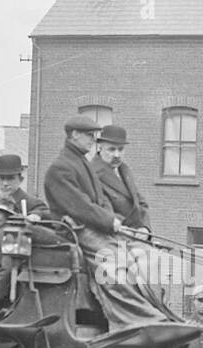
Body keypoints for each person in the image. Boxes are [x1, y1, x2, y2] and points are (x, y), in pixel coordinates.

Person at [43, 115, 180, 334]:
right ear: (74, 135)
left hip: (93, 227)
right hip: (76, 230)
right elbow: (80, 205)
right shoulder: (61, 168)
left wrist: (118, 224)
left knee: (142, 258)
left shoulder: (79, 162)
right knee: (113, 263)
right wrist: (111, 222)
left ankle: (155, 315)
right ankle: (133, 321)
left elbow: (101, 201)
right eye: (89, 135)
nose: (92, 140)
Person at [92, 125, 151, 236]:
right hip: (114, 235)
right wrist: (130, 230)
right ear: (100, 148)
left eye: (120, 149)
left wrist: (145, 228)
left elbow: (141, 203)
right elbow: (102, 210)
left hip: (136, 234)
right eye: (111, 149)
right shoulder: (93, 173)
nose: (117, 155)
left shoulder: (124, 170)